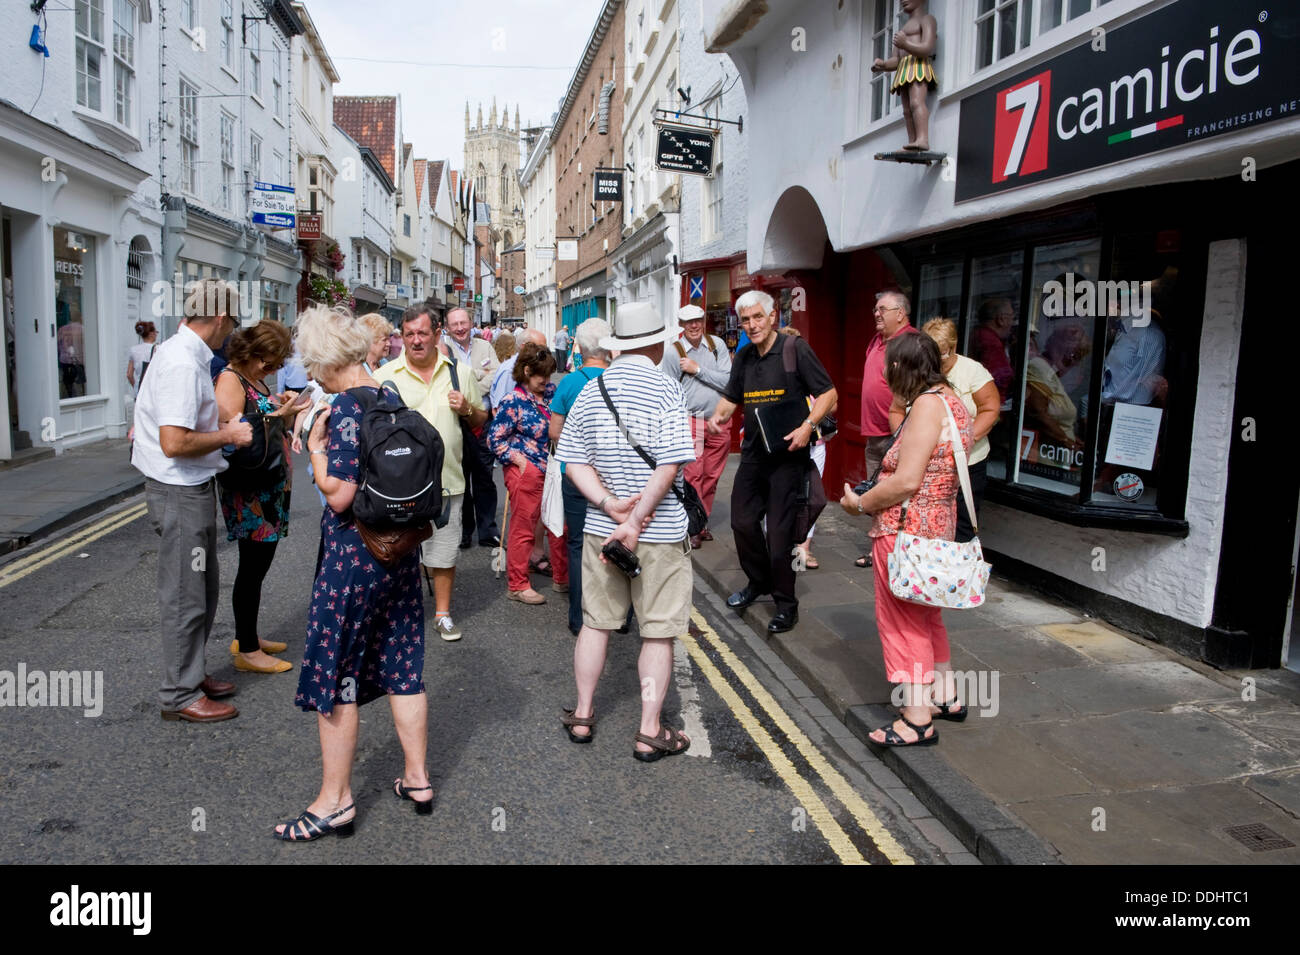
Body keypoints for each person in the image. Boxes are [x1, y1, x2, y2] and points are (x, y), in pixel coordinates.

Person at [276, 304, 432, 841]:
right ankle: (416, 778)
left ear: (322, 360)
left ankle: (334, 801)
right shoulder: (390, 395)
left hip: (353, 561)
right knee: (402, 662)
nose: (310, 375)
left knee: (335, 671)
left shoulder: (342, 412)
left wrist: (316, 455)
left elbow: (340, 496)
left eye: (310, 364)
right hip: (401, 552)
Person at [554, 302, 696, 760]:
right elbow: (671, 461)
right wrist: (635, 521)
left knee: (595, 623)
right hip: (657, 531)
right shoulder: (667, 388)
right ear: (656, 343)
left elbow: (571, 458)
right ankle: (649, 730)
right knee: (656, 632)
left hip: (601, 529)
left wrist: (608, 504)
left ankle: (582, 714)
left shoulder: (592, 391)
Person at [839, 332, 972, 747]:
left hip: (905, 532)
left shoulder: (925, 408)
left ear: (900, 369)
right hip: (939, 527)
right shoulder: (951, 401)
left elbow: (907, 480)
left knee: (901, 623)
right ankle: (944, 695)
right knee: (928, 616)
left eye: (887, 370)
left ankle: (917, 718)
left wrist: (859, 505)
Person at [132, 278, 253, 723]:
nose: (231, 331)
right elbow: (174, 442)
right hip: (179, 491)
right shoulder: (184, 363)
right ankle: (179, 695)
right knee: (186, 595)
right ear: (220, 318)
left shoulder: (181, 353)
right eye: (232, 322)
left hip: (187, 489)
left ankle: (193, 672)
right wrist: (228, 434)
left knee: (201, 587)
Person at [708, 290, 838, 634]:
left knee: (780, 537)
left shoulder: (795, 350)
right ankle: (758, 581)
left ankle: (786, 604)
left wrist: (807, 426)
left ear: (773, 317)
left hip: (787, 458)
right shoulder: (745, 356)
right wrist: (716, 417)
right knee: (742, 523)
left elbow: (829, 394)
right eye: (746, 319)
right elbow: (730, 398)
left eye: (757, 317)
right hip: (752, 457)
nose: (752, 325)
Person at [380, 305, 488, 642]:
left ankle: (442, 614)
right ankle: (399, 617)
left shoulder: (460, 373)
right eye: (409, 334)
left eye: (422, 333)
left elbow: (480, 421)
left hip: (447, 481)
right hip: (400, 487)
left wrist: (467, 408)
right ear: (402, 336)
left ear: (436, 334)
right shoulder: (385, 377)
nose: (415, 340)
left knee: (443, 553)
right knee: (398, 554)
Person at [214, 319, 300, 675]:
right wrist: (277, 414)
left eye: (279, 363)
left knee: (258, 568)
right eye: (270, 361)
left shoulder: (254, 378)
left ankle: (246, 635)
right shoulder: (230, 380)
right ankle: (247, 650)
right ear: (251, 352)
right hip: (250, 489)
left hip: (270, 482)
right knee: (251, 569)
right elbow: (230, 432)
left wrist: (280, 406)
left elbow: (258, 415)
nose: (275, 368)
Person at [487, 342, 567, 604]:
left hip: (552, 469)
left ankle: (562, 578)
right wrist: (519, 461)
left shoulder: (554, 393)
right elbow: (494, 439)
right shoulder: (513, 401)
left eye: (548, 374)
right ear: (526, 371)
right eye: (540, 375)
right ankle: (518, 585)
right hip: (527, 470)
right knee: (524, 528)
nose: (546, 380)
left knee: (559, 524)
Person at [549, 317, 612, 635]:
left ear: (581, 349)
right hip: (612, 475)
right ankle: (620, 615)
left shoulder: (569, 384)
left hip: (575, 474)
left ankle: (578, 616)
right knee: (615, 541)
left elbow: (554, 431)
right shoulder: (619, 380)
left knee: (576, 544)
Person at [917, 319, 999, 543]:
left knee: (963, 522)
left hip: (968, 463)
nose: (936, 362)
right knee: (926, 520)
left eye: (941, 355)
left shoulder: (972, 371)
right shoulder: (919, 369)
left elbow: (990, 409)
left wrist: (965, 439)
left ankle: (959, 572)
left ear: (952, 347)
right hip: (927, 463)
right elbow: (897, 408)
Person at [855, 291, 920, 569]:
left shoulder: (912, 343)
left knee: (900, 493)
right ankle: (879, 547)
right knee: (878, 492)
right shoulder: (876, 341)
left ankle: (901, 548)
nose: (876, 314)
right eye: (875, 309)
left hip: (899, 432)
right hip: (875, 432)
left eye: (882, 309)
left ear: (900, 313)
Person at [660, 303, 733, 549]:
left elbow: (728, 382)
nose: (694, 326)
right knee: (693, 474)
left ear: (703, 321)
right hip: (692, 421)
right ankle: (693, 526)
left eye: (698, 321)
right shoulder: (674, 352)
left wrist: (698, 370)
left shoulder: (716, 346)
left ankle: (701, 523)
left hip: (720, 420)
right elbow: (668, 390)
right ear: (681, 325)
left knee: (712, 476)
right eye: (689, 322)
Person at [441, 307, 501, 548]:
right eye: (454, 324)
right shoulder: (443, 347)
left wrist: (470, 383)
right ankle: (464, 531)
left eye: (463, 322)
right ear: (447, 327)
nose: (459, 328)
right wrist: (478, 375)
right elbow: (447, 381)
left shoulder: (485, 347)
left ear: (471, 322)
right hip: (457, 420)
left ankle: (488, 530)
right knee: (460, 477)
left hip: (483, 420)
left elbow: (495, 374)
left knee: (485, 477)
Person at [780, 328, 833, 571]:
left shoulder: (812, 372)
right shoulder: (775, 375)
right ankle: (779, 548)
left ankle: (802, 547)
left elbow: (833, 401)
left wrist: (813, 405)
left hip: (815, 446)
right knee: (781, 498)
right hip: (784, 447)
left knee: (808, 499)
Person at [870, 0, 938, 151]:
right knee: (907, 110)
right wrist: (884, 65)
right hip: (905, 69)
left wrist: (905, 44)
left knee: (916, 103)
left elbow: (927, 47)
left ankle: (922, 139)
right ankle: (912, 140)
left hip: (917, 67)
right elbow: (897, 59)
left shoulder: (927, 20)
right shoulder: (903, 28)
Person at [972, 298, 1016, 403]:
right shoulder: (991, 343)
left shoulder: (978, 335)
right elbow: (1001, 378)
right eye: (1012, 317)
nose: (1012, 323)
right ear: (1001, 320)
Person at [491, 327, 546, 411]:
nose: (544, 353)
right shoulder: (509, 371)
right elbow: (500, 409)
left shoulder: (534, 366)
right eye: (540, 349)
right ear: (524, 347)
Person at [126, 321, 159, 396]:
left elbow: (129, 374)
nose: (156, 334)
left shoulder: (133, 350)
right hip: (153, 391)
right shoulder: (158, 349)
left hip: (139, 391)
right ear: (151, 334)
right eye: (156, 332)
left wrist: (136, 387)